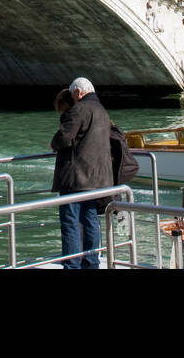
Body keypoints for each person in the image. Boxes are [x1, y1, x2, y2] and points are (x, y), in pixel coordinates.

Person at [50, 77, 112, 269]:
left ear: (78, 92)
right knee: (91, 221)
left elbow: (64, 138)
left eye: (73, 94)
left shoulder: (79, 110)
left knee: (70, 223)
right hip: (96, 178)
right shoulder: (102, 111)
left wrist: (52, 143)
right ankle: (92, 262)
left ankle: (72, 264)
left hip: (75, 178)